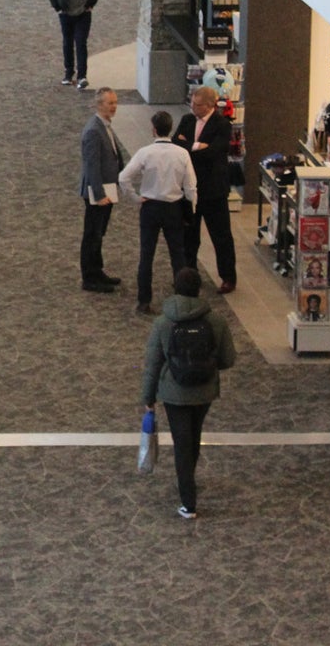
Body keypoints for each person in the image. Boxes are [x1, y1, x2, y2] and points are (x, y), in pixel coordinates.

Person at [141, 267, 237, 519]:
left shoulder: (163, 323)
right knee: (193, 437)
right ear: (197, 290)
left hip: (174, 393)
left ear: (175, 289)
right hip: (204, 392)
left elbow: (152, 364)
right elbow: (228, 359)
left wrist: (148, 398)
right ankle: (188, 481)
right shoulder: (215, 321)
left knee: (182, 441)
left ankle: (188, 499)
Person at [119, 110, 198, 315]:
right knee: (177, 255)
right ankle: (183, 300)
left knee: (147, 255)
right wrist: (192, 210)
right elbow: (190, 187)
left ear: (153, 129)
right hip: (173, 208)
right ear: (170, 128)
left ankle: (144, 300)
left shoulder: (145, 152)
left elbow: (123, 178)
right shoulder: (182, 153)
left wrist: (135, 198)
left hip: (150, 207)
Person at [173, 87, 238, 293]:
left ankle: (228, 277)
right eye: (192, 102)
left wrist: (190, 147)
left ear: (210, 105)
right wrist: (197, 146)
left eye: (198, 104)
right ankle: (187, 276)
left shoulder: (222, 125)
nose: (193, 107)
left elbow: (214, 152)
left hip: (213, 191)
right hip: (189, 189)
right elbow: (176, 144)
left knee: (221, 236)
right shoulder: (187, 120)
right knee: (189, 236)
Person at [77, 86, 128, 293]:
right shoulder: (93, 131)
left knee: (99, 233)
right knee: (92, 234)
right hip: (97, 192)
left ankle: (97, 271)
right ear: (100, 105)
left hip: (107, 188)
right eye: (110, 103)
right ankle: (90, 277)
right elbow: (92, 166)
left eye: (115, 102)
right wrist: (99, 195)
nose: (114, 107)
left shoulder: (103, 126)